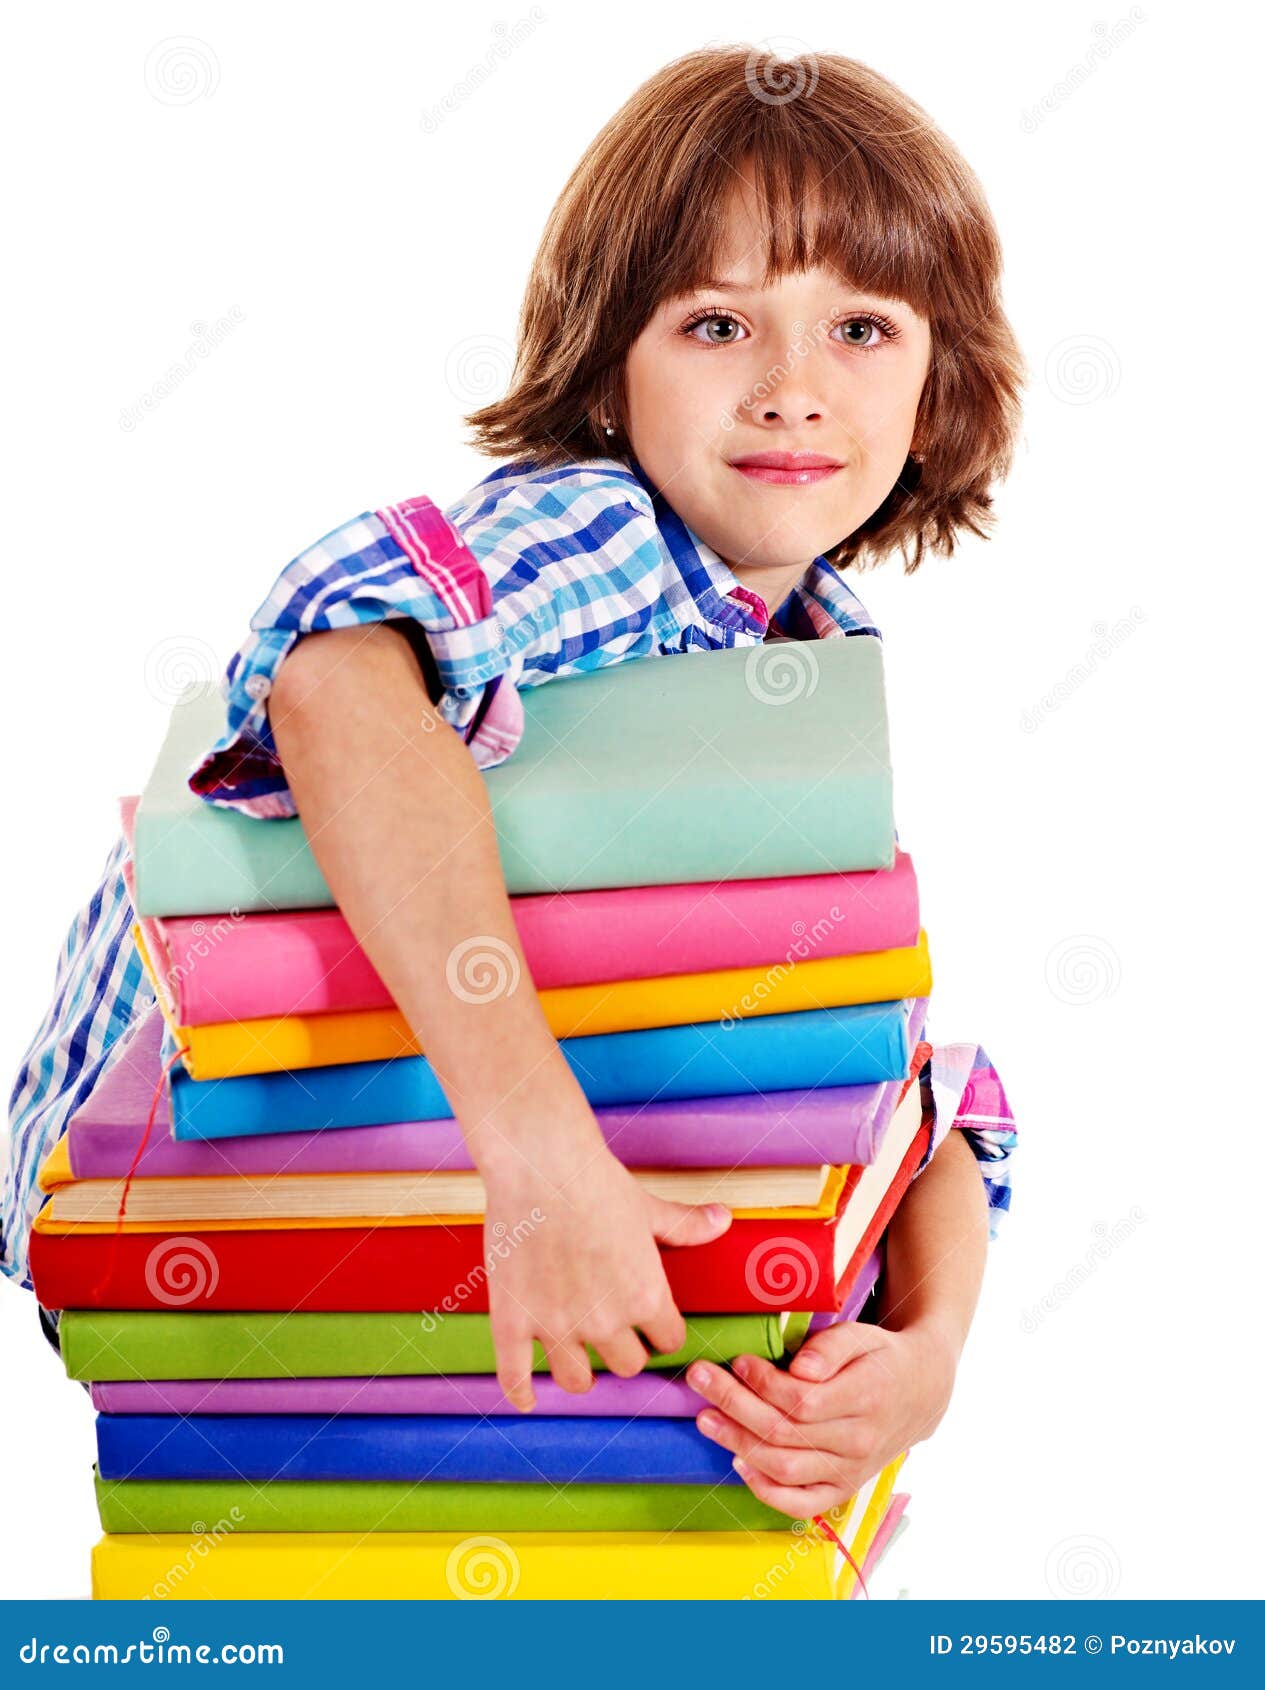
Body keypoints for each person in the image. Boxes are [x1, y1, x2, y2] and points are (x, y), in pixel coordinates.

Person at [4, 45, 1022, 1521]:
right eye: (718, 322)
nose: (792, 390)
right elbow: (333, 668)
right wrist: (539, 1156)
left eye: (860, 327)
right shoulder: (602, 531)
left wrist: (923, 1357)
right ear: (609, 371)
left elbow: (917, 1083)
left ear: (938, 390)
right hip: (184, 1178)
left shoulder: (807, 650)